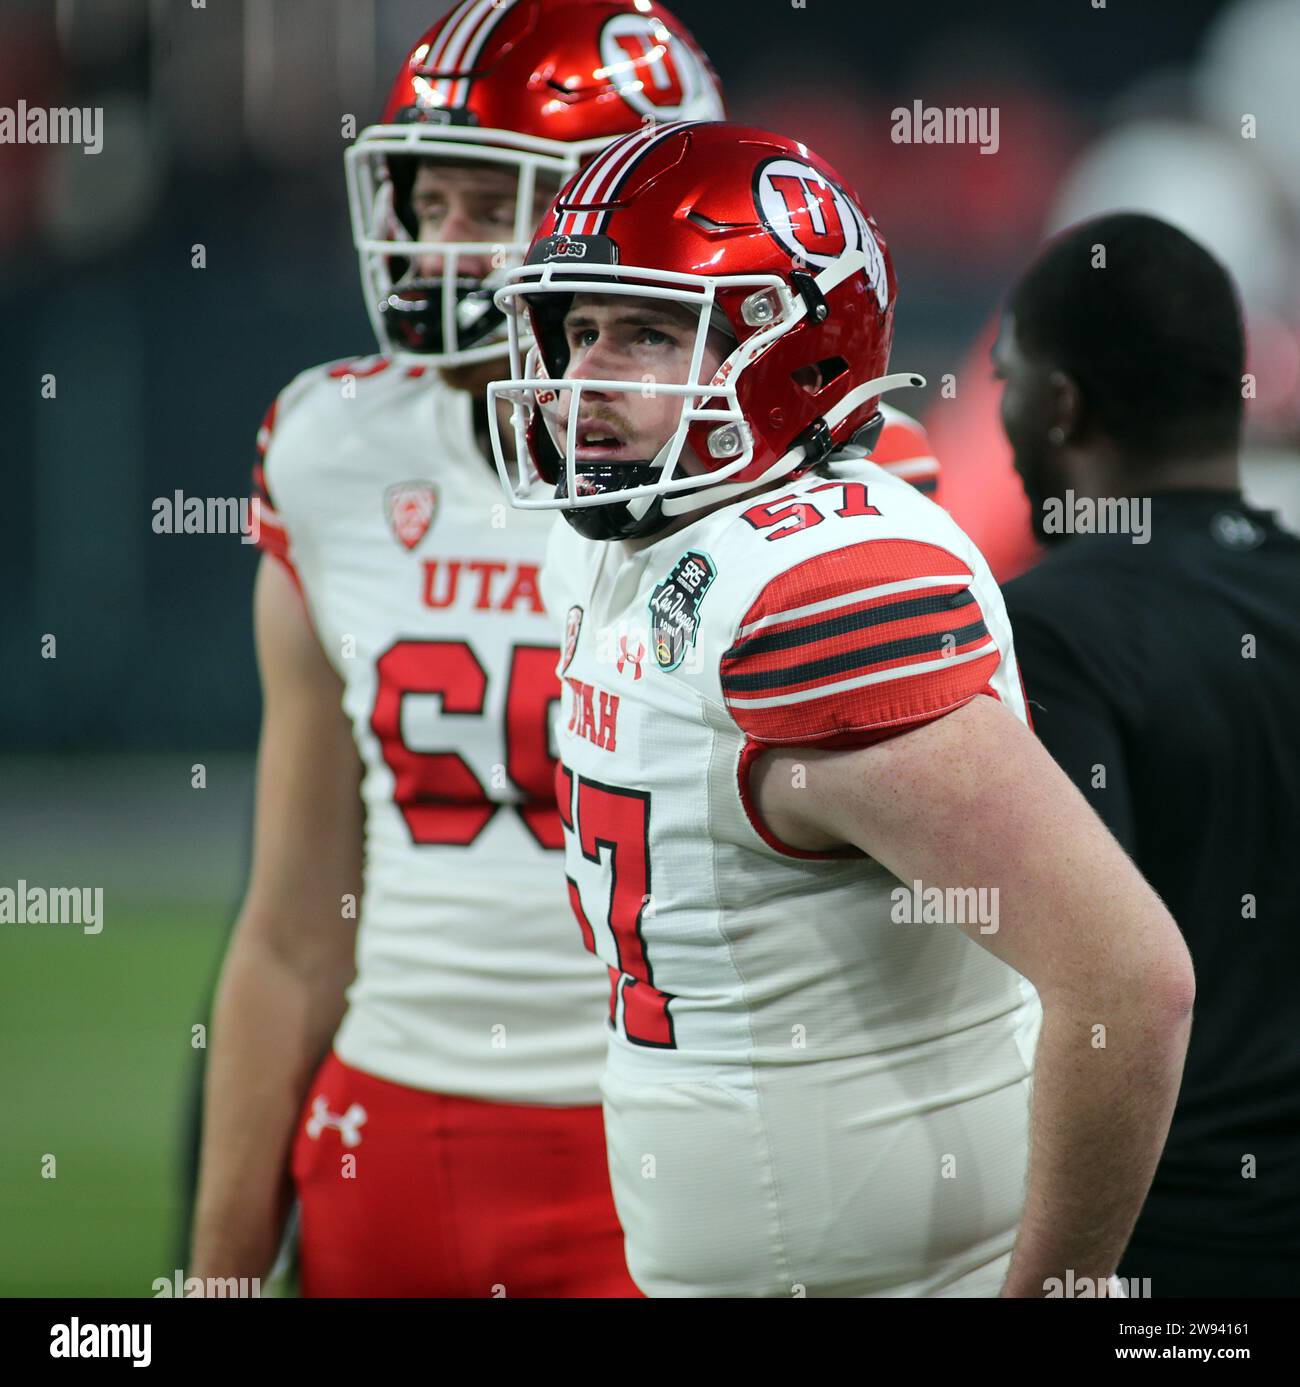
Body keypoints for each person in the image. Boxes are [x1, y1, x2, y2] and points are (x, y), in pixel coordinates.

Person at [486, 120, 1195, 1298]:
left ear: (795, 354)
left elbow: (1129, 981)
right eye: (579, 332)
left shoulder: (816, 597)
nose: (581, 384)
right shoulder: (676, 530)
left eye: (650, 334)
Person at [188, 0, 728, 1298]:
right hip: (392, 1125)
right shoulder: (331, 446)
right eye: (431, 203)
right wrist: (211, 1270)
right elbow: (293, 922)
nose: (442, 246)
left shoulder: (764, 489)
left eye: (495, 203)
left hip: (669, 1133)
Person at [996, 212, 1300, 1296]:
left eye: (1007, 381)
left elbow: (1095, 990)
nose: (1001, 417)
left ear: (1061, 403)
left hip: (1161, 1244)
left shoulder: (1040, 631)